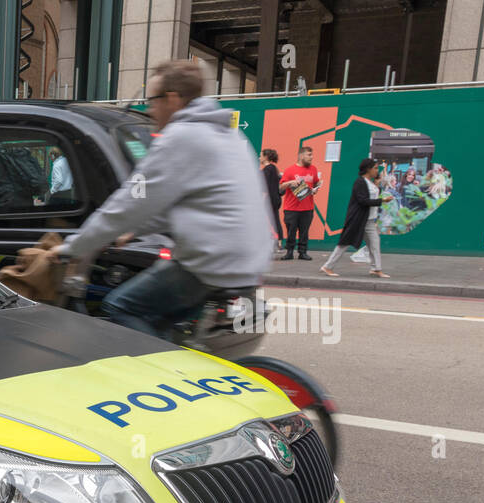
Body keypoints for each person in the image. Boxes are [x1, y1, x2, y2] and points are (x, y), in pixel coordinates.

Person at [51, 59, 270, 338]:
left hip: (211, 262)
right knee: (166, 325)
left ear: (173, 98)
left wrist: (73, 247)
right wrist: (135, 231)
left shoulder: (181, 137)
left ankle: (160, 373)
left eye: (152, 101)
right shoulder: (229, 133)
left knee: (119, 308)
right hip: (250, 259)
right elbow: (187, 203)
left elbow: (129, 203)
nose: (150, 110)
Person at [320, 157, 390, 279]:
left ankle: (376, 269)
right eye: (374, 168)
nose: (376, 170)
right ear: (368, 169)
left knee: (374, 243)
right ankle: (328, 266)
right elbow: (363, 200)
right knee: (344, 243)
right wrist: (382, 200)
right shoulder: (360, 182)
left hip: (368, 220)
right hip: (358, 219)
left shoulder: (370, 183)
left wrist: (377, 185)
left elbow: (371, 195)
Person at [278, 145, 321, 260]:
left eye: (312, 155)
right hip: (291, 208)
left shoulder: (313, 169)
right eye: (309, 155)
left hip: (307, 207)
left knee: (304, 231)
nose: (311, 157)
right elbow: (281, 187)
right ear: (301, 155)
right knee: (291, 231)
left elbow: (316, 183)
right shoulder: (290, 170)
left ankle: (302, 252)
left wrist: (315, 189)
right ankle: (289, 252)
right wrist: (290, 182)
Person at [258, 148, 282, 251]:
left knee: (269, 221)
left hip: (270, 200)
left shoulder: (267, 169)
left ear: (266, 157)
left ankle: (274, 242)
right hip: (275, 199)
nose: (259, 157)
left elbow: (264, 186)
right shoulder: (274, 168)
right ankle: (278, 242)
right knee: (275, 220)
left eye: (261, 155)